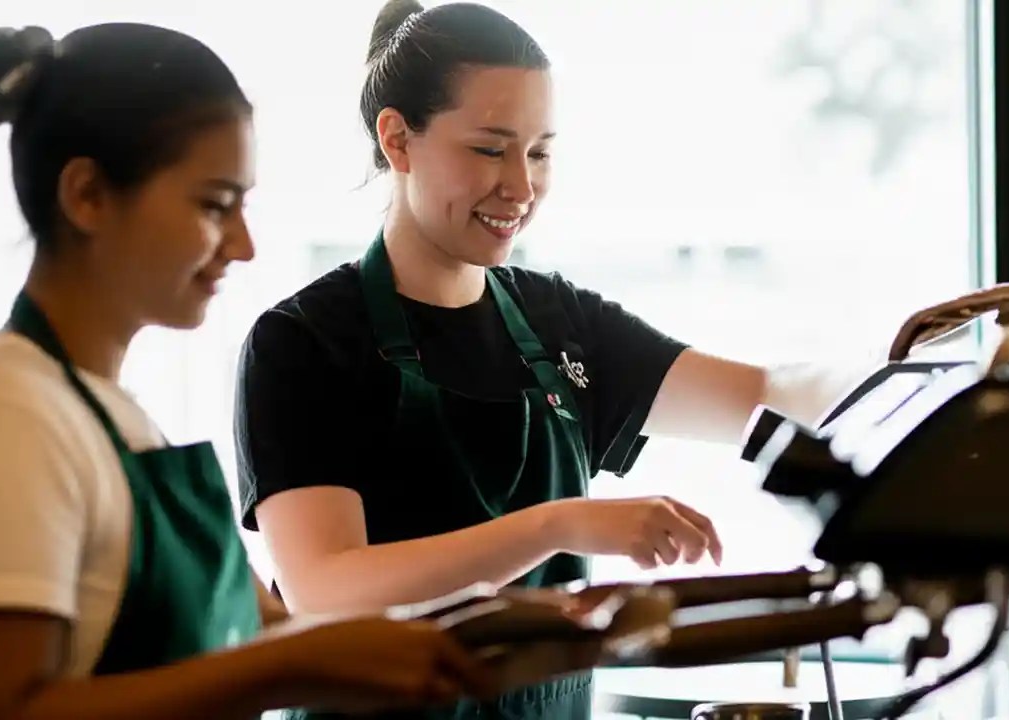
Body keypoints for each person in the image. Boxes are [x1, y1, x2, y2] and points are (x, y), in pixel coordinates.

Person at [234, 2, 874, 718]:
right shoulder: (304, 342)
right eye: (490, 149)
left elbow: (763, 392)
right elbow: (326, 592)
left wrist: (917, 377)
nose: (521, 186)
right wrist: (557, 525)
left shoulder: (559, 323)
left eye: (539, 153)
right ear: (398, 139)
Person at [0, 22, 499, 720]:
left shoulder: (112, 420)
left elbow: (273, 633)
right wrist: (291, 666)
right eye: (214, 205)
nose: (243, 245)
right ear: (87, 195)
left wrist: (498, 633)